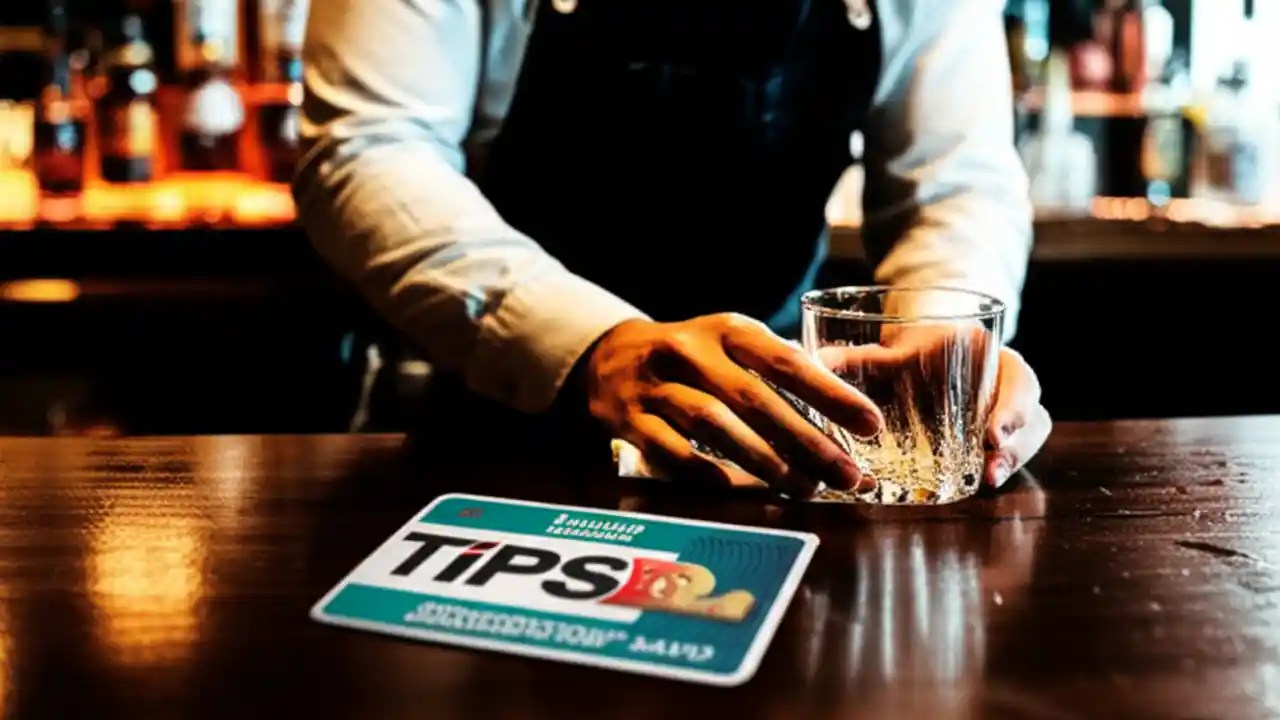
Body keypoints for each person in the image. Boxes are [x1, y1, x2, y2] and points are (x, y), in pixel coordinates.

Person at [293, 0, 1051, 497]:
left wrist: (946, 344)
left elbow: (954, 184)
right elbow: (369, 149)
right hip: (478, 430)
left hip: (766, 446)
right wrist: (591, 344)